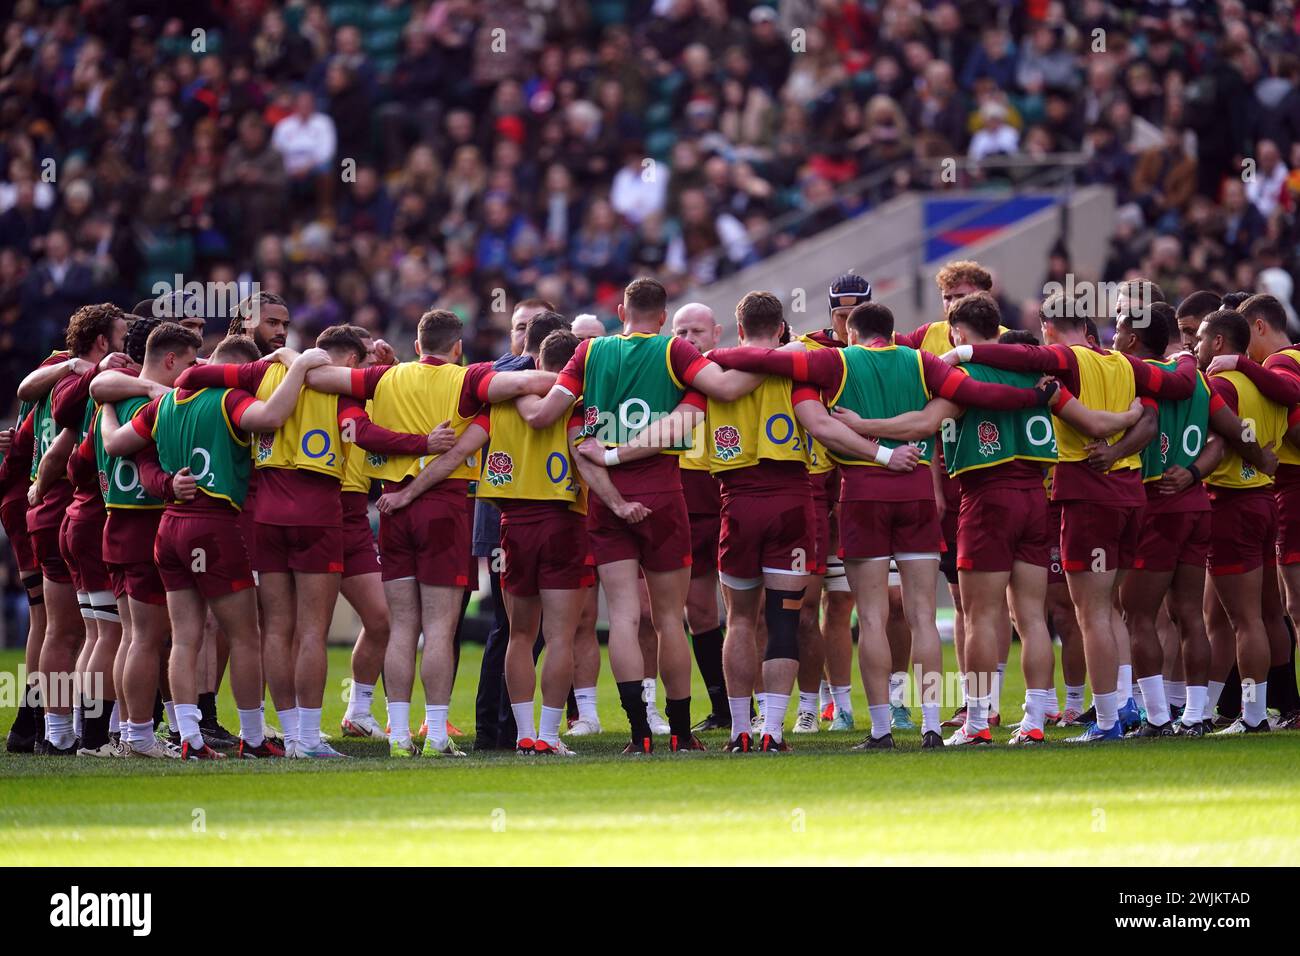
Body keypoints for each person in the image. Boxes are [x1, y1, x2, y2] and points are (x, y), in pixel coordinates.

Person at [708, 299, 1055, 748]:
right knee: (923, 618)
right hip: (915, 491)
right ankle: (931, 725)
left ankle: (880, 729)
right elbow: (977, 396)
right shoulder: (920, 361)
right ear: (891, 333)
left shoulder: (835, 361)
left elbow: (765, 359)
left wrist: (710, 355)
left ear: (851, 333)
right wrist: (1032, 397)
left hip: (864, 492)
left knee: (870, 619)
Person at [592, 292, 921, 752]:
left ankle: (739, 729)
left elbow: (675, 427)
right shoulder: (799, 369)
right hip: (793, 501)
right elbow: (825, 428)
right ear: (783, 328)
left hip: (737, 503)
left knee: (740, 621)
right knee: (784, 621)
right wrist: (885, 455)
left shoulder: (712, 373)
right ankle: (773, 730)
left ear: (739, 330)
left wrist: (611, 454)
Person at [176, 324, 453, 757]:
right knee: (311, 633)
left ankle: (282, 735)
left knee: (275, 631)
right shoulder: (340, 392)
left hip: (266, 511)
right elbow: (364, 434)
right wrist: (424, 444)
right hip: (318, 510)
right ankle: (306, 738)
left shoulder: (261, 376)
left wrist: (269, 362)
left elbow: (189, 379)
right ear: (348, 363)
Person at [942, 291, 1200, 742]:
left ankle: (1100, 722)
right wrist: (1186, 359)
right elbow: (1178, 386)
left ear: (1048, 328)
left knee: (1089, 613)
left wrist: (961, 351)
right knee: (1105, 612)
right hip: (1128, 496)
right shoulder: (1125, 364)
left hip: (1085, 494)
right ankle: (1131, 711)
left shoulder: (1062, 364)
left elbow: (1025, 361)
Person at [522, 277, 766, 753]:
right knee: (670, 620)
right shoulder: (674, 351)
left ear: (619, 310)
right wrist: (774, 355)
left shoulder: (590, 354)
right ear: (662, 317)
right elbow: (724, 388)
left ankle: (639, 734)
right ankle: (678, 731)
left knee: (626, 619)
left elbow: (542, 414)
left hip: (605, 495)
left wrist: (516, 382)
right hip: (663, 491)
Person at [303, 309, 554, 758]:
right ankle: (436, 736)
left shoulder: (384, 378)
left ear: (418, 346)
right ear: (457, 347)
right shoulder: (468, 378)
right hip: (445, 507)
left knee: (402, 628)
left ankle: (400, 737)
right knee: (439, 629)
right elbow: (528, 383)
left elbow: (322, 380)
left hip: (393, 505)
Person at [105, 335, 329, 759]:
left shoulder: (164, 404)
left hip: (168, 525)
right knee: (245, 636)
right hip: (214, 524)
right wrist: (297, 369)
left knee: (185, 638)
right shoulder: (228, 399)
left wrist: (106, 408)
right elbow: (271, 416)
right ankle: (254, 737)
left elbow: (117, 446)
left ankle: (188, 738)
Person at [91, 322, 202, 757]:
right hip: (144, 528)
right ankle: (138, 734)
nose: (193, 372)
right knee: (146, 639)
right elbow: (145, 467)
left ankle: (128, 730)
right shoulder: (156, 405)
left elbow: (85, 461)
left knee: (133, 636)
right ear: (170, 360)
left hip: (115, 525)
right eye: (190, 362)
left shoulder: (113, 400)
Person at [26, 304, 130, 754]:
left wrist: (34, 488)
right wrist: (41, 485)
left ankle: (56, 732)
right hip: (75, 507)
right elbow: (65, 454)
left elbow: (24, 393)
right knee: (95, 631)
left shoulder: (55, 376)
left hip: (50, 514)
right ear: (104, 342)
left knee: (61, 631)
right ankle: (97, 732)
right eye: (122, 337)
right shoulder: (95, 384)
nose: (125, 347)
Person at [1203, 293, 1300, 726]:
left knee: (1261, 614)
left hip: (1254, 496)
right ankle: (1280, 706)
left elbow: (1234, 431)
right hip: (1267, 498)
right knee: (1268, 612)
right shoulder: (1274, 372)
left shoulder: (1269, 368)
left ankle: (1253, 712)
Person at [668, 302, 728, 732]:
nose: (688, 338)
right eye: (680, 331)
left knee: (754, 611)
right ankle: (723, 706)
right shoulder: (668, 377)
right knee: (699, 611)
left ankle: (767, 707)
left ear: (717, 333)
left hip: (735, 491)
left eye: (696, 331)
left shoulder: (730, 371)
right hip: (690, 501)